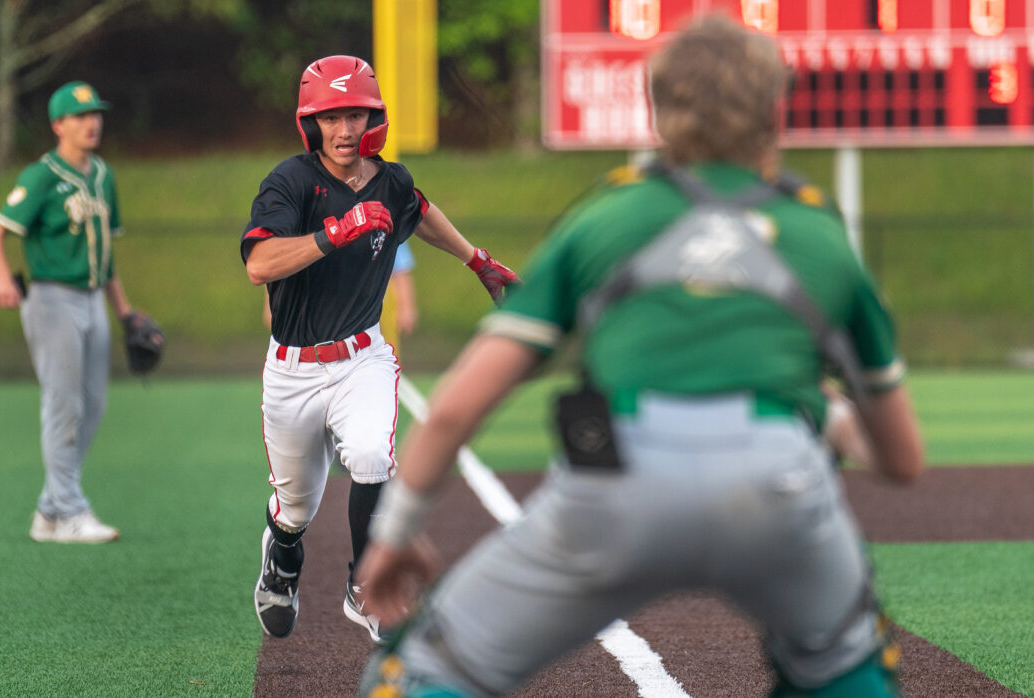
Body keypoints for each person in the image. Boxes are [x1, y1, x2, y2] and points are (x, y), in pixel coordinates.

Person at [355, 17, 924, 698]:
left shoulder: (606, 216)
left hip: (616, 490)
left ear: (657, 110)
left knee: (423, 673)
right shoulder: (821, 232)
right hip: (779, 493)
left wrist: (395, 533)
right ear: (777, 112)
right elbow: (900, 461)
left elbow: (454, 410)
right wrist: (829, 421)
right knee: (849, 667)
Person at [240, 55, 518, 643]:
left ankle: (365, 587)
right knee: (295, 507)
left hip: (362, 357)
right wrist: (332, 233)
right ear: (310, 123)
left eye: (355, 115)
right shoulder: (290, 181)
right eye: (331, 117)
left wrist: (478, 262)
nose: (344, 130)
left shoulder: (390, 180)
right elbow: (259, 264)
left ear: (375, 117)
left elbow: (419, 210)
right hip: (292, 370)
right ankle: (283, 556)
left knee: (371, 456)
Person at [0, 81, 144, 544]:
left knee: (92, 405)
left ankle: (51, 511)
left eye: (95, 112)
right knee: (63, 403)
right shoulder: (40, 177)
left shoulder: (103, 175)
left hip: (93, 299)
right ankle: (70, 511)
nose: (91, 121)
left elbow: (107, 254)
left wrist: (125, 311)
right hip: (52, 300)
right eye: (79, 115)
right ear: (58, 125)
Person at [379, 243, 418, 350]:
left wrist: (407, 307)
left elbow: (401, 269)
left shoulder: (391, 229)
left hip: (384, 296)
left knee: (388, 345)